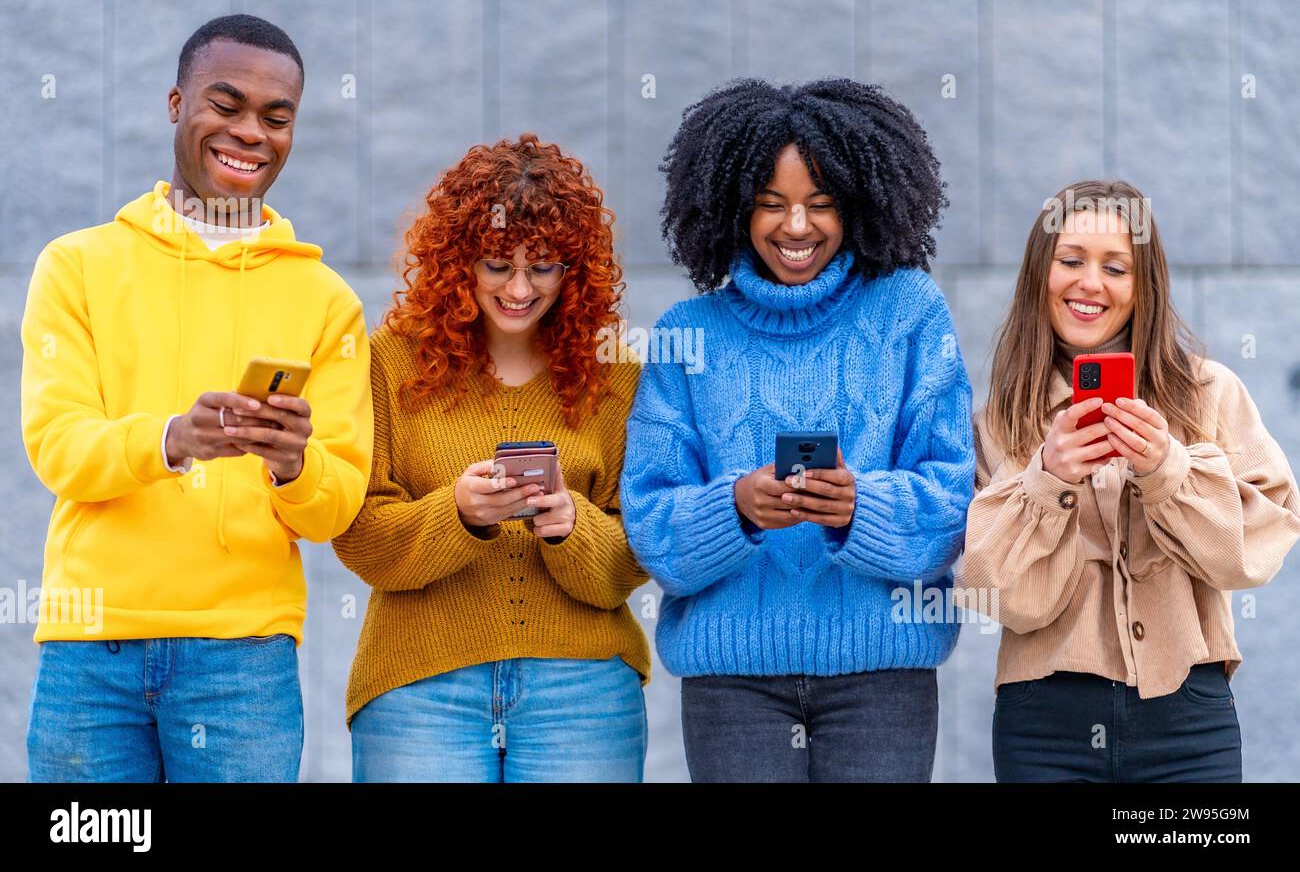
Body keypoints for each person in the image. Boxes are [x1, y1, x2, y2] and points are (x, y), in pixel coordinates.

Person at [20, 14, 374, 782]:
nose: (252, 132)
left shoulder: (327, 301)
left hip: (244, 660)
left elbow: (335, 507)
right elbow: (58, 450)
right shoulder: (76, 267)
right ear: (177, 103)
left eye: (277, 119)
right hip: (92, 651)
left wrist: (292, 466)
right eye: (227, 104)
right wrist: (173, 440)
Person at [620, 78, 975, 782]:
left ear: (861, 204)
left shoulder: (910, 311)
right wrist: (735, 509)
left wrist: (857, 508)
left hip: (883, 678)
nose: (797, 227)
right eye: (771, 205)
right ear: (730, 209)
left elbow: (954, 505)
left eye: (822, 204)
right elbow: (653, 531)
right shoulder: (685, 337)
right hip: (733, 690)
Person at [957, 179, 1300, 782]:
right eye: (1070, 261)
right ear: (1041, 274)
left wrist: (1167, 471)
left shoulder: (1207, 393)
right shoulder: (999, 422)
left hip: (1188, 720)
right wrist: (1046, 480)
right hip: (1044, 726)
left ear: (1144, 286)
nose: (1090, 283)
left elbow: (1256, 550)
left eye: (1115, 267)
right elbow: (996, 596)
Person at [334, 133, 651, 783]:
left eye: (544, 266)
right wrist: (459, 513)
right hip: (420, 686)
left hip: (582, 694)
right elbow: (358, 533)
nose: (519, 287)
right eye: (497, 264)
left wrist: (569, 523)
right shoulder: (390, 362)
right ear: (456, 260)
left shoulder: (615, 374)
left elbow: (639, 551)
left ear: (576, 268)